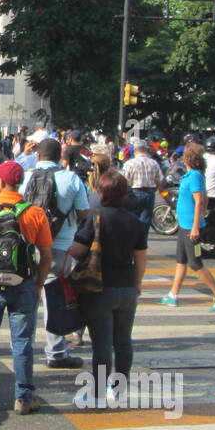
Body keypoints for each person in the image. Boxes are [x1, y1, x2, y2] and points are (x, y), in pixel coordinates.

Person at [0, 160, 54, 413]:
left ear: (0, 182)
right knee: (23, 341)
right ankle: (23, 398)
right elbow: (46, 256)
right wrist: (38, 284)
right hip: (23, 283)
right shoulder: (35, 213)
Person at [68, 168, 147, 406]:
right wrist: (137, 283)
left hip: (100, 288)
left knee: (102, 342)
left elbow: (78, 250)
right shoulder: (135, 221)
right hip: (127, 288)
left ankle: (98, 393)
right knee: (123, 341)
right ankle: (119, 389)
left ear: (101, 191)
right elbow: (141, 258)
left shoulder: (95, 216)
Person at [20, 138, 88, 367]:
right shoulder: (71, 178)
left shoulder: (25, 176)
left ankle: (22, 348)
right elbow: (83, 212)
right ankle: (56, 352)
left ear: (38, 156)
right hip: (60, 246)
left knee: (27, 297)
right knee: (54, 298)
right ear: (60, 157)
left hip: (28, 245)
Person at [157, 142, 215, 311]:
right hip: (185, 225)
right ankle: (173, 295)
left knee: (195, 263)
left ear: (188, 158)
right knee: (181, 260)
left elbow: (199, 201)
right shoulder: (189, 176)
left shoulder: (196, 176)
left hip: (191, 226)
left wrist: (196, 227)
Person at [122, 142, 162, 228]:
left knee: (133, 219)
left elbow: (124, 181)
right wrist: (153, 190)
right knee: (145, 221)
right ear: (146, 150)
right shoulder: (154, 163)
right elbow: (159, 181)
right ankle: (142, 240)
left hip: (134, 192)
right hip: (149, 193)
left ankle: (133, 240)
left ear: (135, 150)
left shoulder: (129, 163)